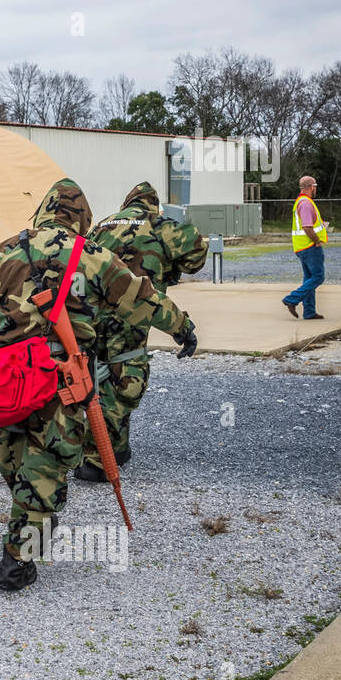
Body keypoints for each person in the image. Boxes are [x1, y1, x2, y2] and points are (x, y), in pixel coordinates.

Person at [0, 180, 197, 592]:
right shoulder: (92, 256)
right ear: (82, 218)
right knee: (47, 465)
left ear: (44, 211)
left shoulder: (1, 255)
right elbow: (143, 299)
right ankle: (18, 559)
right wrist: (182, 328)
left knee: (15, 456)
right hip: (57, 380)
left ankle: (26, 521)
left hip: (4, 380)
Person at [77, 182, 207, 481]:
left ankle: (116, 447)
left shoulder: (102, 225)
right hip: (137, 308)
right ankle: (97, 459)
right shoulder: (161, 224)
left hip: (94, 310)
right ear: (153, 205)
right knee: (127, 376)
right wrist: (171, 262)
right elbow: (198, 253)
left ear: (128, 202)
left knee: (100, 373)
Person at [282, 175, 327, 321]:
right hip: (310, 246)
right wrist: (317, 240)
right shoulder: (306, 203)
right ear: (311, 187)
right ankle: (291, 299)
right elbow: (307, 227)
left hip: (302, 247)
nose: (315, 190)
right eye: (315, 187)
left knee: (309, 278)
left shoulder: (301, 202)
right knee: (318, 277)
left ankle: (309, 311)